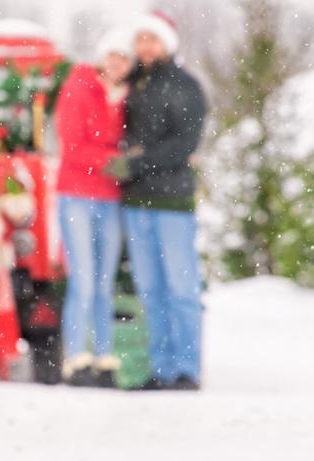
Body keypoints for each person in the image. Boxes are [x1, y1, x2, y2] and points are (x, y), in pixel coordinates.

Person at [106, 11, 208, 391]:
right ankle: (161, 368)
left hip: (172, 203)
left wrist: (137, 162)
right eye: (141, 39)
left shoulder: (185, 86)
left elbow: (185, 143)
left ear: (167, 43)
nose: (146, 46)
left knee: (181, 288)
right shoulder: (132, 85)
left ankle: (186, 370)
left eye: (153, 39)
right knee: (149, 288)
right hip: (136, 203)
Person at [54, 28, 134, 388]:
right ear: (103, 57)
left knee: (104, 282)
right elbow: (72, 145)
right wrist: (113, 160)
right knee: (83, 279)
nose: (118, 63)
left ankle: (104, 354)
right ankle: (75, 355)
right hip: (77, 194)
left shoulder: (124, 98)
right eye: (113, 55)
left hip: (110, 197)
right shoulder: (79, 87)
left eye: (125, 58)